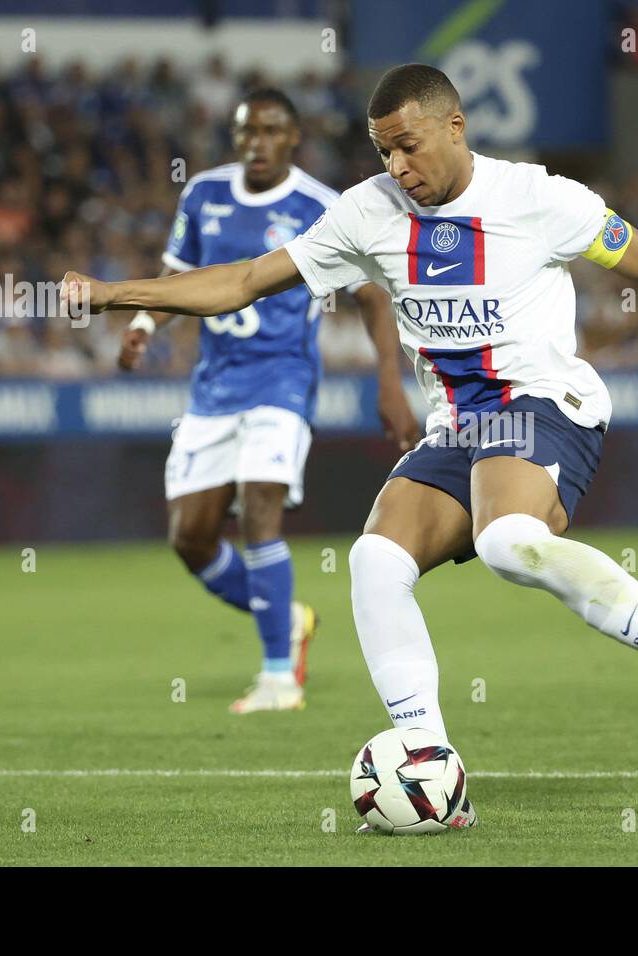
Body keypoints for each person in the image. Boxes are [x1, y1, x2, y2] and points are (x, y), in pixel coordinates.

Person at [64, 64, 638, 828]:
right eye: (382, 152)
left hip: (543, 405)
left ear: (454, 127)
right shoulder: (367, 213)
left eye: (408, 146)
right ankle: (429, 759)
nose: (398, 167)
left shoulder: (540, 199)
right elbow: (241, 282)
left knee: (506, 543)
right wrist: (112, 294)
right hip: (457, 427)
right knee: (374, 558)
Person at [118, 88, 417, 714]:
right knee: (190, 540)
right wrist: (146, 325)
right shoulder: (202, 194)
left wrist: (390, 381)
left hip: (282, 383)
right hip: (212, 389)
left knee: (260, 513)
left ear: (293, 137)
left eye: (271, 131)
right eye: (246, 132)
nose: (257, 143)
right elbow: (179, 282)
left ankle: (278, 678)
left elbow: (369, 295)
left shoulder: (320, 205)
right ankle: (290, 617)